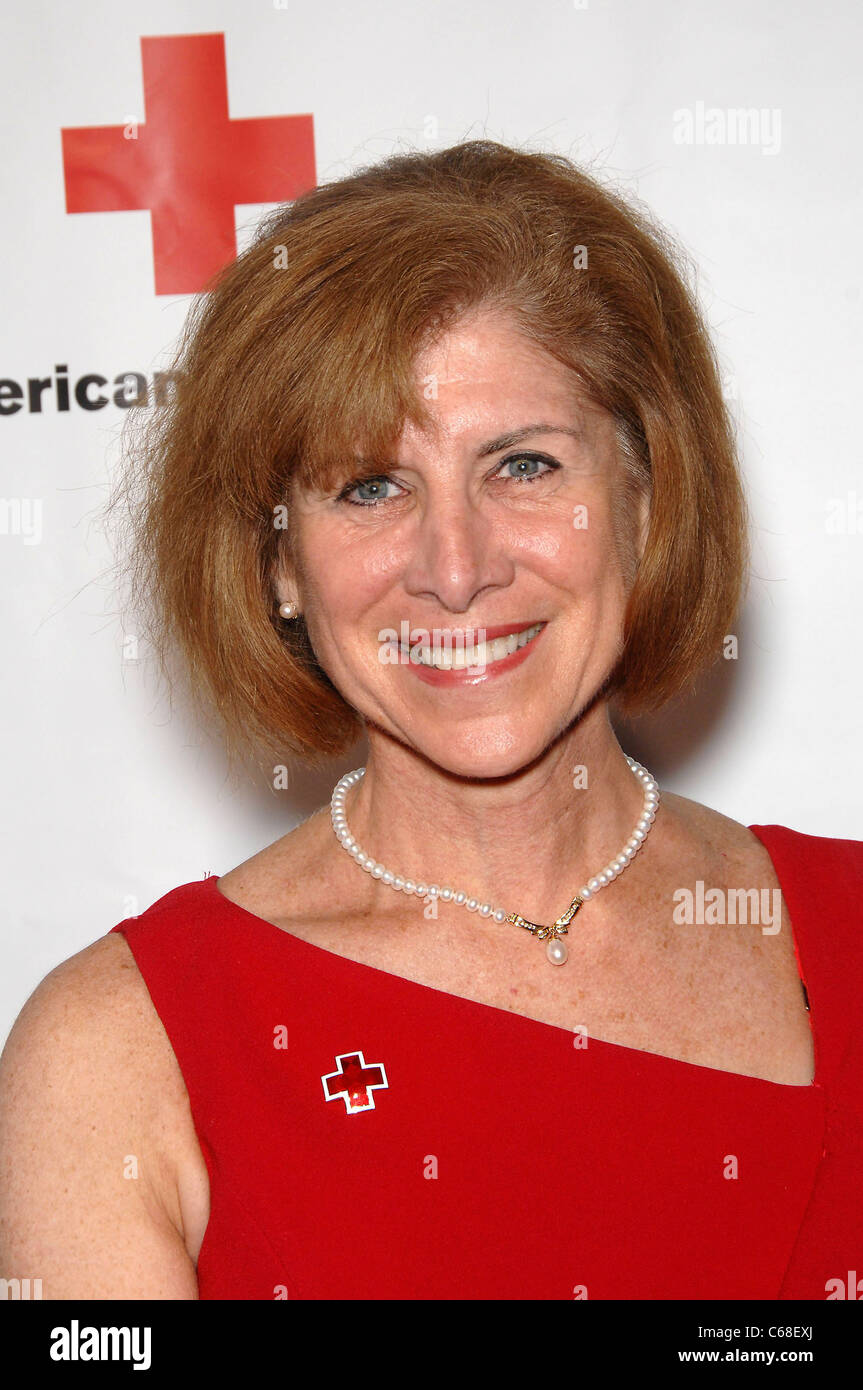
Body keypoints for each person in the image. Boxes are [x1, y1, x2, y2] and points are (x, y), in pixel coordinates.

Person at [1, 140, 861, 1301]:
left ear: (644, 503)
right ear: (280, 564)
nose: (453, 570)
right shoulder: (115, 1052)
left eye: (520, 464)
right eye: (369, 486)